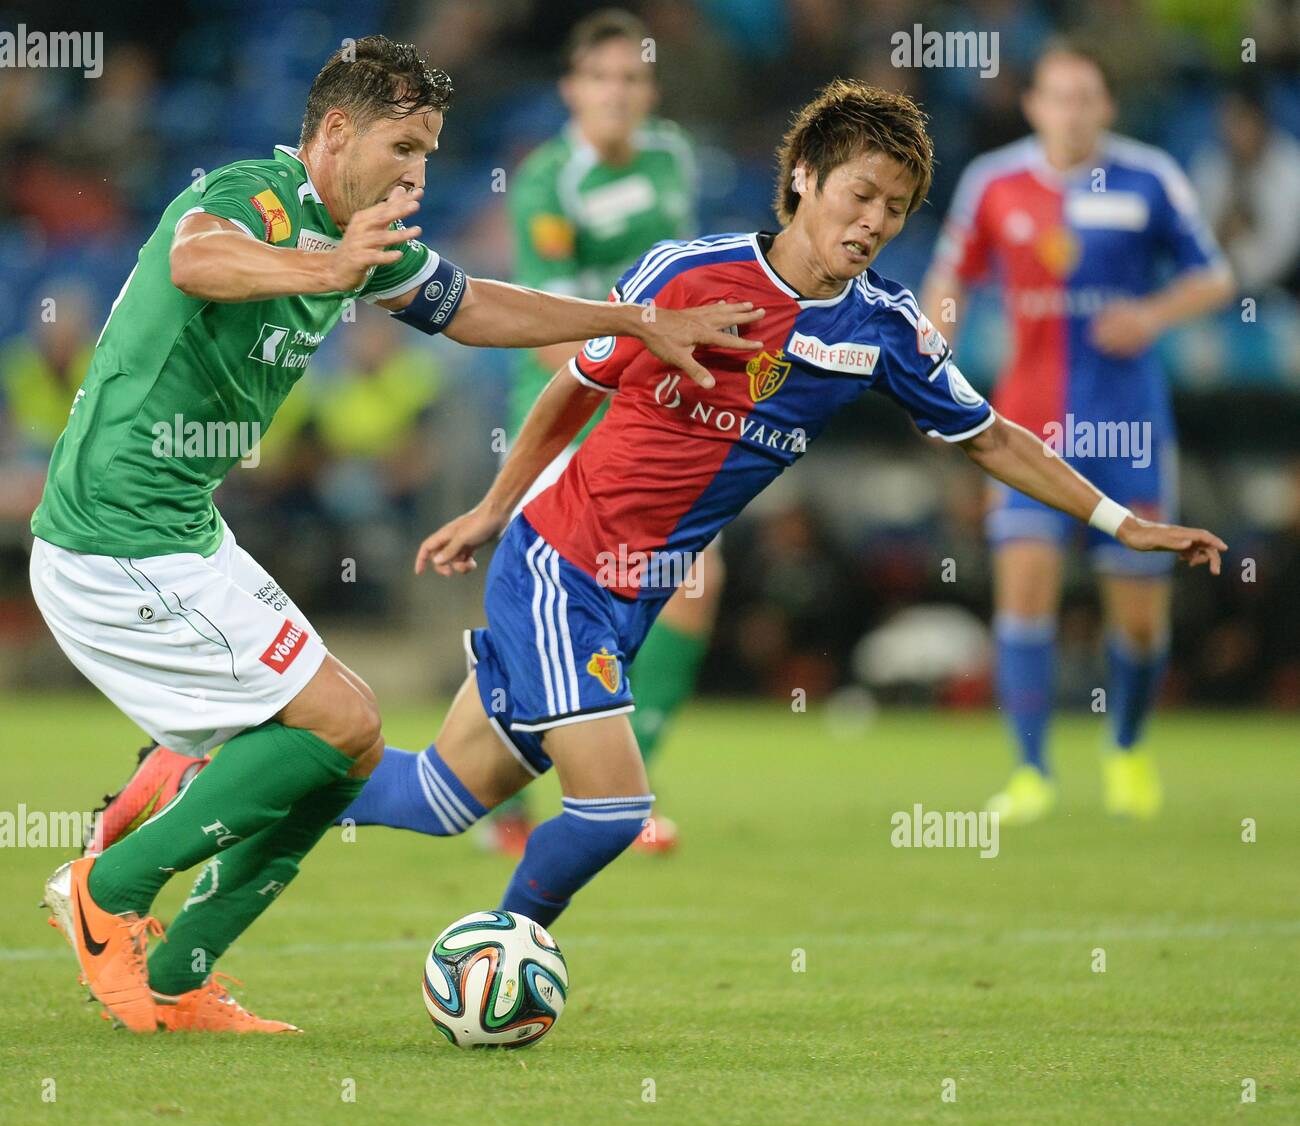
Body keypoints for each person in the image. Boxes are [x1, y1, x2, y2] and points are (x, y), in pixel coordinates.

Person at [326, 79, 1223, 928]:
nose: (874, 223)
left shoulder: (881, 329)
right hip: (563, 561)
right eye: (860, 195)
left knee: (437, 797)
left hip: (633, 596)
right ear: (803, 179)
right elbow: (576, 384)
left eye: (896, 209)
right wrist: (493, 507)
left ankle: (204, 780)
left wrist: (1121, 521)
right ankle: (503, 949)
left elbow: (989, 435)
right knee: (612, 810)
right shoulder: (690, 272)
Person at [32, 35, 761, 1035]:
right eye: (404, 149)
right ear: (336, 132)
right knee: (341, 727)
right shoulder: (258, 199)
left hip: (183, 531)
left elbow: (470, 308)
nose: (418, 175)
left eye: (427, 156)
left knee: (340, 745)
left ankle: (179, 974)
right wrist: (326, 262)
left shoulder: (357, 241)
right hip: (111, 533)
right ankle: (107, 888)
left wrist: (629, 321)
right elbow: (194, 256)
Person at [920, 41, 1234, 825]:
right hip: (1028, 423)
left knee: (1138, 616)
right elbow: (950, 277)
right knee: (1024, 596)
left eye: (1087, 96)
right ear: (1034, 106)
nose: (1073, 110)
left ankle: (1125, 746)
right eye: (1059, 97)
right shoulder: (994, 182)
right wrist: (933, 359)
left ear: (1107, 106)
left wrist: (1153, 314)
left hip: (1129, 428)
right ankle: (1031, 770)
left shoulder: (1149, 175)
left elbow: (1216, 275)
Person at [490, 8, 717, 855]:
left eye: (632, 79)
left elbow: (681, 285)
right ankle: (503, 793)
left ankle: (631, 791)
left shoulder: (673, 158)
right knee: (554, 603)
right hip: (571, 399)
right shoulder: (548, 183)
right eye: (602, 79)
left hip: (651, 401)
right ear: (571, 90)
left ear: (650, 91)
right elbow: (546, 325)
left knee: (690, 582)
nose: (617, 94)